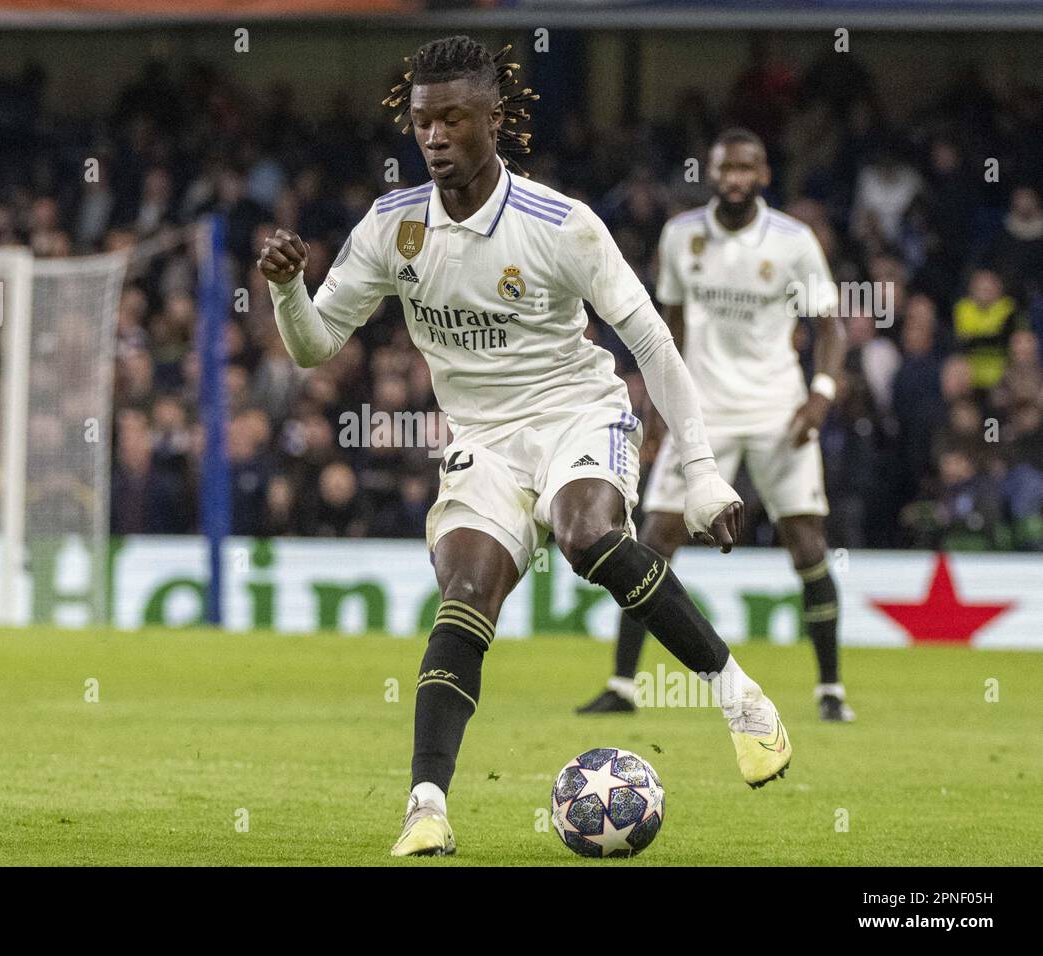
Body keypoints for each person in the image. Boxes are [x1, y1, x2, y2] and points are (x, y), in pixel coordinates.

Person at [258, 36, 790, 859]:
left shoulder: (562, 225)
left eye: (453, 120)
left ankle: (739, 697)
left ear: (494, 120)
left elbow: (652, 342)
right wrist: (289, 288)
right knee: (466, 593)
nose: (433, 137)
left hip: (578, 412)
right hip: (483, 442)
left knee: (585, 533)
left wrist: (703, 473)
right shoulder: (391, 227)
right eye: (422, 122)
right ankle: (426, 806)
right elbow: (314, 346)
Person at [577, 128, 855, 723]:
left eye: (746, 169)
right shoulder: (681, 236)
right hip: (701, 410)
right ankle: (623, 686)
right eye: (725, 168)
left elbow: (829, 327)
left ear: (764, 175)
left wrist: (821, 395)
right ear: (711, 172)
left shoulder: (794, 241)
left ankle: (831, 691)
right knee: (654, 539)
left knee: (806, 542)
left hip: (779, 409)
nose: (734, 178)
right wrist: (656, 414)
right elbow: (665, 331)